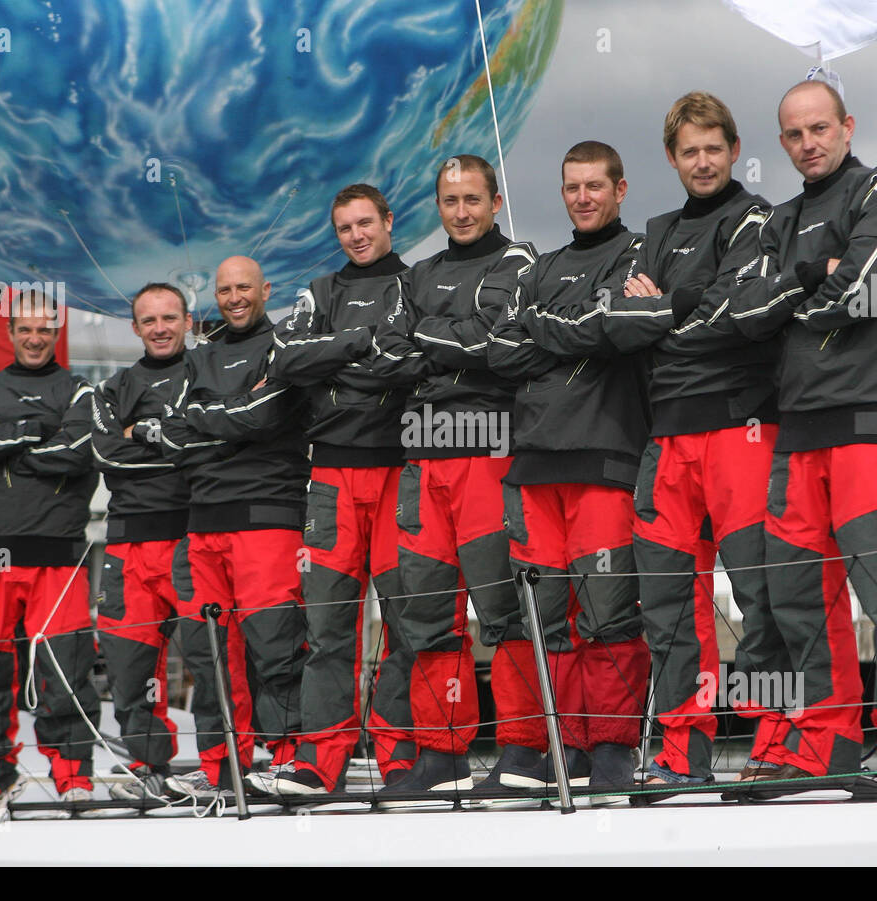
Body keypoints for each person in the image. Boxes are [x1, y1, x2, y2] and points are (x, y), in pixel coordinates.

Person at [518, 95, 789, 796]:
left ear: (733, 148)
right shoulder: (658, 231)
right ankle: (681, 750)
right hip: (665, 435)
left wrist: (663, 308)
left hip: (740, 427)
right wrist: (672, 307)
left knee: (760, 594)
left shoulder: (756, 218)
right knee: (668, 606)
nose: (702, 162)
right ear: (671, 159)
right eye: (688, 151)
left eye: (713, 148)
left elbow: (734, 310)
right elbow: (621, 323)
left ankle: (774, 742)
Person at [727, 79, 877, 790]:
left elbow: (854, 292)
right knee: (796, 594)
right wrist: (805, 280)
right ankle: (823, 740)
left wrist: (794, 295)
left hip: (869, 424)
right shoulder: (778, 219)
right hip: (797, 431)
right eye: (793, 134)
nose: (807, 144)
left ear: (848, 126)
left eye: (819, 128)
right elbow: (742, 313)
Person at [487, 142, 650, 804]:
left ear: (620, 189)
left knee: (609, 615)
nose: (582, 197)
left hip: (606, 460)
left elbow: (619, 325)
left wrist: (543, 330)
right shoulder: (540, 266)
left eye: (594, 186)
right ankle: (564, 744)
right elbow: (499, 345)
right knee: (546, 618)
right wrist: (573, 330)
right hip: (533, 468)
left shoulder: (640, 255)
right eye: (571, 187)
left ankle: (611, 749)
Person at [383, 154, 542, 796]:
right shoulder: (416, 272)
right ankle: (440, 754)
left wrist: (427, 338)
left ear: (495, 202)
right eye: (450, 202)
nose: (461, 212)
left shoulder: (519, 262)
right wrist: (442, 340)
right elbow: (389, 354)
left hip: (488, 446)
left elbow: (495, 342)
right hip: (422, 457)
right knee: (425, 615)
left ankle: (524, 749)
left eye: (473, 199)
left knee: (503, 609)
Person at [269, 184, 427, 796]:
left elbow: (414, 363)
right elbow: (285, 360)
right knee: (329, 627)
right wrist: (359, 344)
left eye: (366, 223)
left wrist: (330, 362)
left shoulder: (417, 285)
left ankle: (399, 757)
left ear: (389, 222)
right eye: (344, 228)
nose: (356, 235)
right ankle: (320, 760)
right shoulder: (320, 291)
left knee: (408, 621)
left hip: (398, 470)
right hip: (331, 477)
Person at [158, 256, 311, 798]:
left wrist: (215, 419)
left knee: (276, 645)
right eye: (224, 289)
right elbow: (178, 432)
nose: (234, 297)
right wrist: (229, 420)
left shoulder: (286, 347)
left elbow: (266, 418)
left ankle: (295, 762)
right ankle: (224, 766)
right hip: (204, 522)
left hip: (269, 518)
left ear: (266, 289)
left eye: (244, 287)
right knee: (210, 653)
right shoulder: (198, 357)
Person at [0, 291, 100, 833]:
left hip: (59, 560)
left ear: (56, 331)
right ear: (11, 333)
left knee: (67, 672)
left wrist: (8, 443)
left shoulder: (81, 390)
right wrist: (36, 432)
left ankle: (72, 776)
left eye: (45, 329)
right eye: (25, 330)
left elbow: (80, 448)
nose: (35, 338)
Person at [90, 282, 202, 802]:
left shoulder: (210, 373)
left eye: (169, 318)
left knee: (215, 659)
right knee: (131, 669)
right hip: (129, 547)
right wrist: (171, 440)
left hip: (196, 539)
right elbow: (106, 455)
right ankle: (148, 769)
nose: (160, 328)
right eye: (149, 320)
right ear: (135, 327)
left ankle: (232, 766)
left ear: (187, 320)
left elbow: (210, 447)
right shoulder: (112, 390)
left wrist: (143, 434)